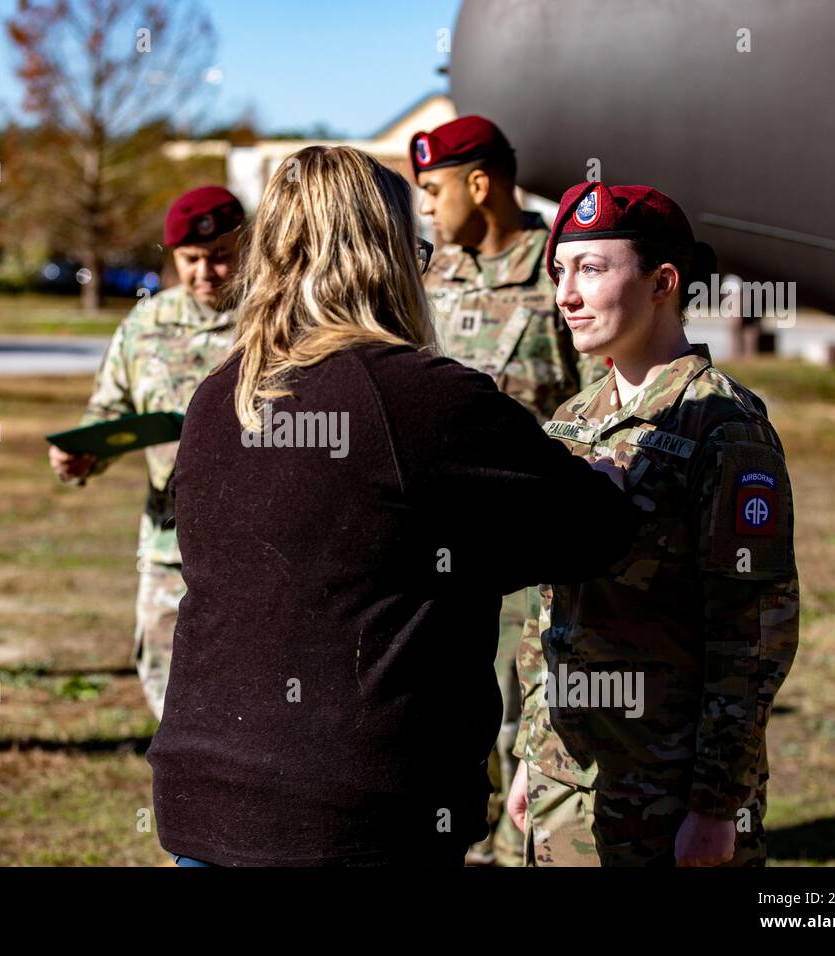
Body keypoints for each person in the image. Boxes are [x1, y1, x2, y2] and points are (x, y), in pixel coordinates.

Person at [146, 146, 638, 867]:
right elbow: (595, 532)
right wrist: (607, 472)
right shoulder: (423, 398)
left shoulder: (219, 397)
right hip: (359, 815)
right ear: (388, 256)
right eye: (417, 246)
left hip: (204, 797)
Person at [508, 182, 800, 866]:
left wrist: (715, 805)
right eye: (559, 273)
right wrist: (533, 748)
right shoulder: (572, 422)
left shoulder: (724, 429)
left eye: (592, 269)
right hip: (568, 778)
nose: (565, 295)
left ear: (663, 282)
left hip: (666, 788)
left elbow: (754, 633)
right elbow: (545, 610)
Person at [411, 114, 608, 865]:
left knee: (526, 724)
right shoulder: (432, 277)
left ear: (480, 183)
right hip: (441, 553)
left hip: (529, 551)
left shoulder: (561, 270)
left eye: (433, 191)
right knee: (445, 721)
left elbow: (598, 404)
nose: (427, 208)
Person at [48, 186, 245, 721]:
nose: (205, 272)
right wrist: (84, 453)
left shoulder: (276, 321)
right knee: (165, 675)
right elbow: (109, 409)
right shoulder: (146, 325)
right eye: (190, 259)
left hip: (259, 537)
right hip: (170, 538)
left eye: (220, 257)